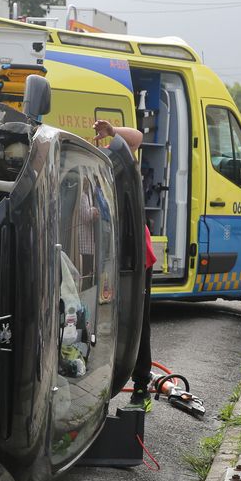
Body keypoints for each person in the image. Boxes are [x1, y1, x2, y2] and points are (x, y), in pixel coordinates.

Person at [92, 119, 156, 410]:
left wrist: (112, 131)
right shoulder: (92, 167)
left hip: (134, 254)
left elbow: (138, 136)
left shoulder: (120, 161)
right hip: (105, 254)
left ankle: (141, 383)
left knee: (136, 320)